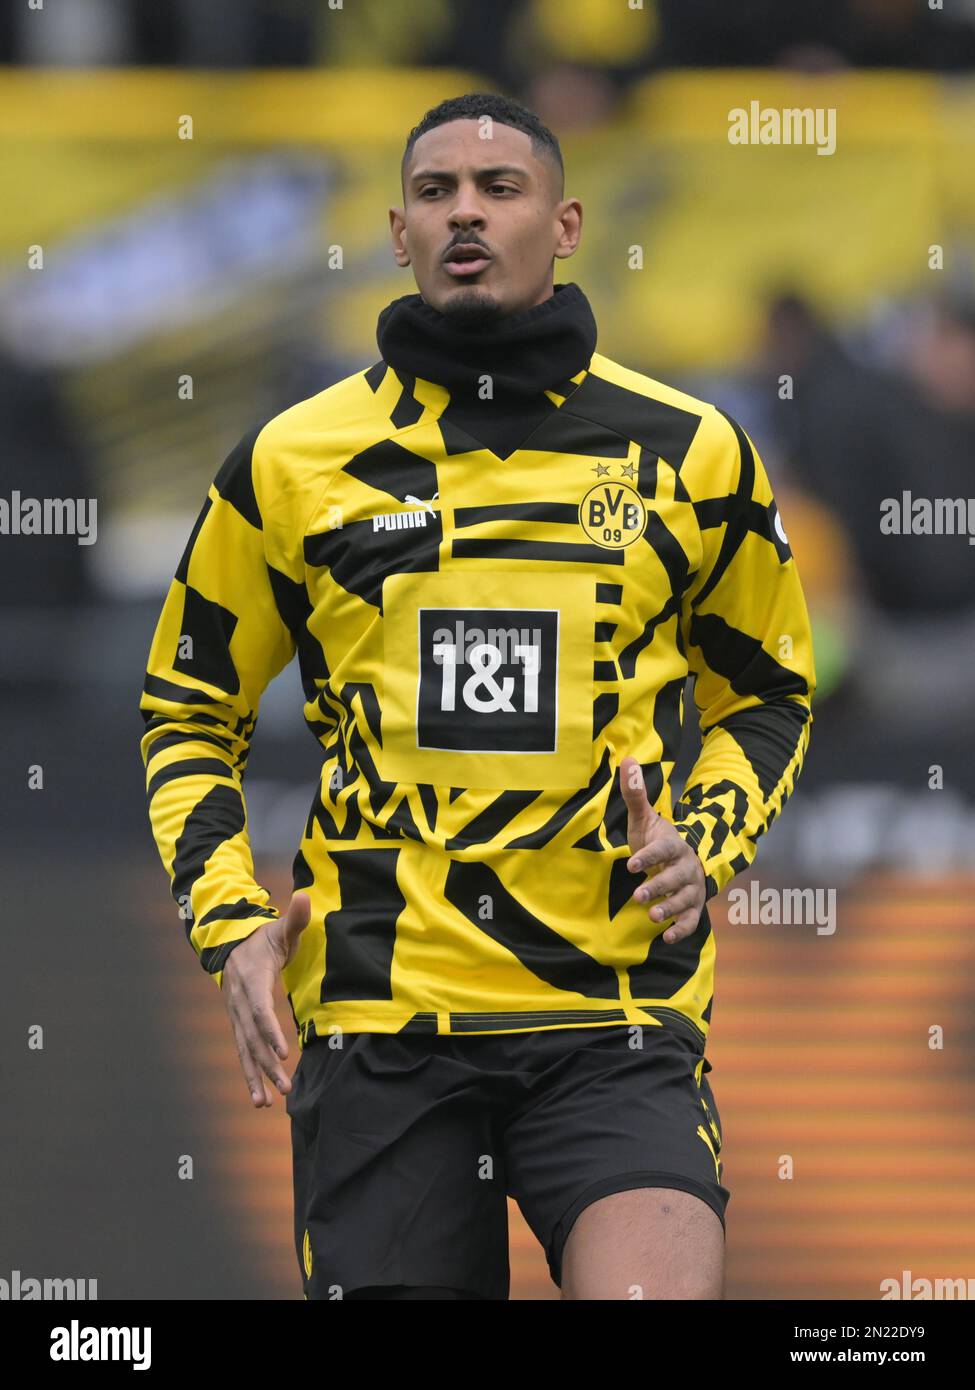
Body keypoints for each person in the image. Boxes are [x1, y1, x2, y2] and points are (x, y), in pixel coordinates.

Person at [139, 92, 816, 1301]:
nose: (466, 211)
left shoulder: (693, 449)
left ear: (563, 225)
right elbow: (187, 705)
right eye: (437, 191)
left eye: (499, 190)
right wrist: (230, 920)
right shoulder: (291, 462)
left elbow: (767, 693)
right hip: (380, 1026)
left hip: (614, 1018)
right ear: (397, 231)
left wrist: (705, 845)